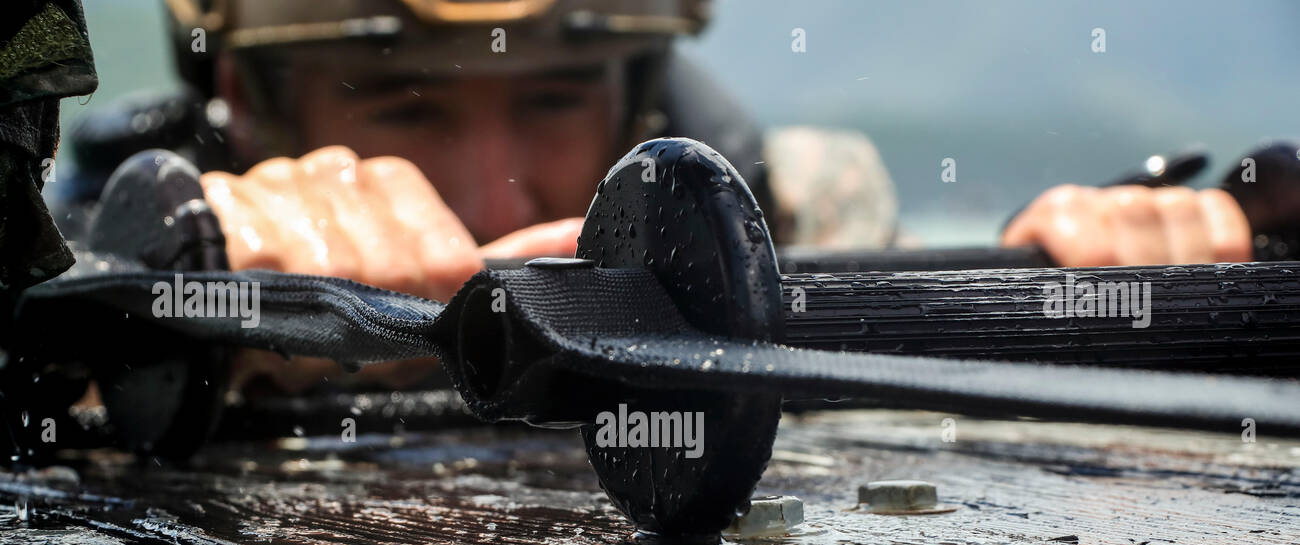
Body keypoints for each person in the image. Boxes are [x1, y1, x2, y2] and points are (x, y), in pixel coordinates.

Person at [61, 0, 1253, 392]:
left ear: (640, 95)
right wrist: (206, 313)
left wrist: (1102, 294)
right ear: (248, 101)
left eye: (556, 99)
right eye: (404, 106)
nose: (494, 188)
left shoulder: (802, 225)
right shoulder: (88, 280)